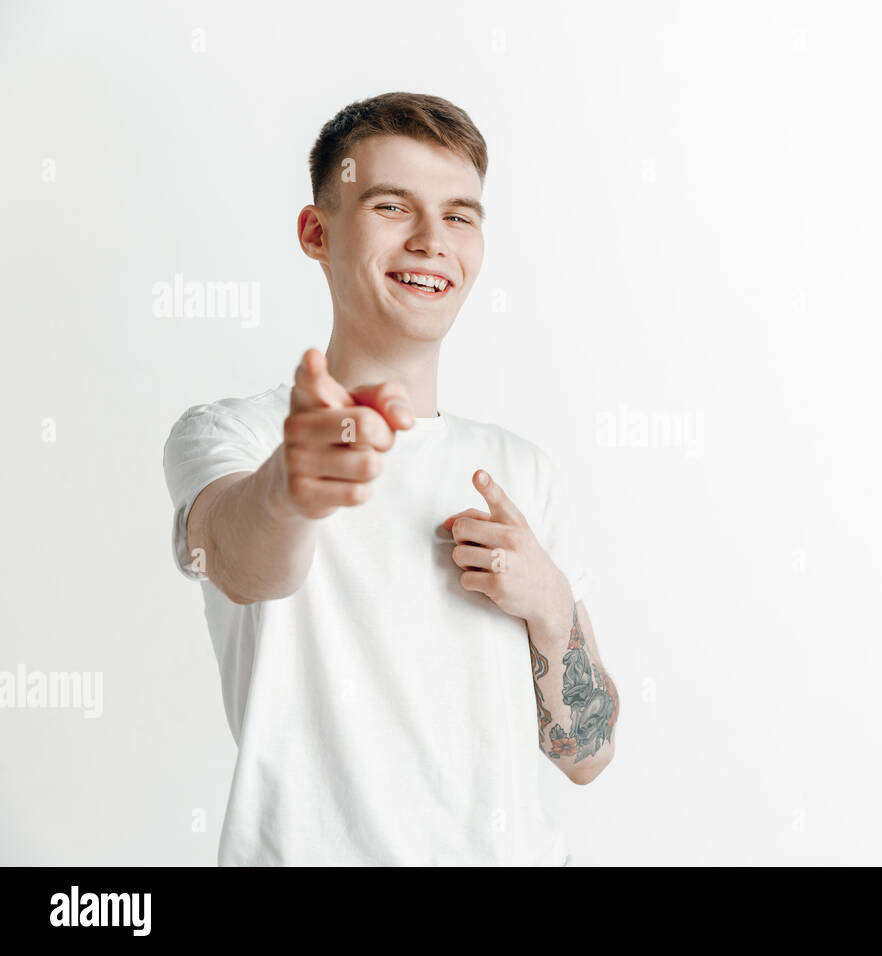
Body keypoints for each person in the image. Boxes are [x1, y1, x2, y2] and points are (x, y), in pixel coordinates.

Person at [162, 92, 618, 866]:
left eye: (460, 215)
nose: (432, 240)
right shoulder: (233, 436)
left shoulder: (520, 470)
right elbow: (237, 563)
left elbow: (587, 753)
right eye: (392, 206)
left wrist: (549, 607)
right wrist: (290, 489)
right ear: (317, 231)